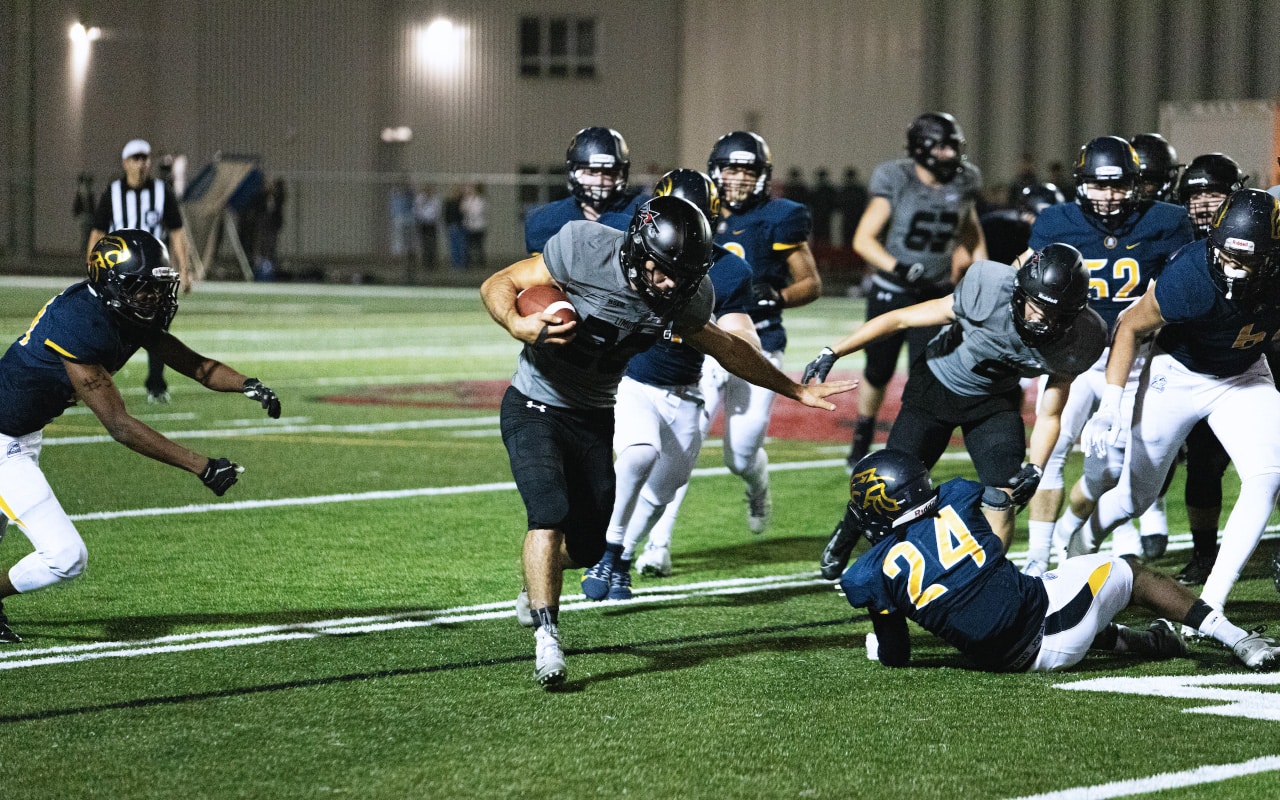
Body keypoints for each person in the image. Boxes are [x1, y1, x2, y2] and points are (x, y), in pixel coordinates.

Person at [480, 195, 854, 687]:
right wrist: (518, 323)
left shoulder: (687, 296)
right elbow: (499, 282)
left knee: (590, 545)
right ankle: (548, 639)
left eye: (685, 273)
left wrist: (794, 388)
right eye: (664, 270)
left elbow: (725, 348)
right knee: (548, 511)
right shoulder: (584, 247)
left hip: (593, 414)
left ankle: (537, 581)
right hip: (535, 402)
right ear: (637, 250)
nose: (673, 282)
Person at [0, 230, 282, 643]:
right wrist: (200, 466)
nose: (154, 296)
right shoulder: (80, 323)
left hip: (22, 432)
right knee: (65, 556)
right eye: (143, 287)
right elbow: (120, 425)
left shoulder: (122, 311)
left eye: (158, 286)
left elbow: (193, 364)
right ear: (112, 285)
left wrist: (247, 384)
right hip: (4, 440)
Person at [831, 449, 1280, 672]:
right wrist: (1010, 495)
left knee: (1055, 581)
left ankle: (1148, 643)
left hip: (1003, 660)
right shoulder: (957, 495)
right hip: (1052, 628)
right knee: (1130, 573)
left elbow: (896, 654)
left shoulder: (867, 575)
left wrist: (879, 649)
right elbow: (992, 521)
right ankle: (1239, 639)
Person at [804, 243, 1106, 570]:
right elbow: (901, 319)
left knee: (1004, 493)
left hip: (993, 402)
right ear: (1019, 293)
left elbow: (1051, 411)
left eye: (1058, 313)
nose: (1043, 320)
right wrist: (833, 351)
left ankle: (986, 579)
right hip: (936, 385)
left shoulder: (1083, 338)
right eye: (1037, 306)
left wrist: (1036, 465)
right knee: (888, 485)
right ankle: (846, 534)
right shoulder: (989, 289)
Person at [1076, 189, 1280, 616]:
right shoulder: (1191, 273)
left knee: (1266, 477)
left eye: (1246, 262)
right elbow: (1130, 325)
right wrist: (1111, 403)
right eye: (1225, 255)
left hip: (1243, 373)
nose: (1232, 270)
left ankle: (1210, 604)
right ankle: (1077, 539)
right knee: (1136, 498)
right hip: (1179, 373)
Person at [1019, 136, 1195, 576]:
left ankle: (1075, 531)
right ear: (1080, 184)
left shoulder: (1166, 221)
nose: (1109, 197)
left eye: (1118, 187)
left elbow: (1179, 288)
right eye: (1098, 186)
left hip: (1138, 360)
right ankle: (1038, 556)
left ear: (1136, 185)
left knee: (1108, 470)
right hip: (1073, 356)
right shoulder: (1055, 221)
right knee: (1050, 453)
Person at [587, 170, 758, 593]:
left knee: (663, 489)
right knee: (638, 456)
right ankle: (606, 554)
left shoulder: (728, 269)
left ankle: (622, 558)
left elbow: (744, 334)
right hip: (633, 380)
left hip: (686, 390)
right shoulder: (621, 238)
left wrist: (729, 339)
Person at [653, 130, 820, 537]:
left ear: (762, 175)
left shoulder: (780, 216)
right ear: (715, 172)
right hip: (701, 340)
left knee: (740, 456)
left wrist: (778, 295)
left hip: (755, 339)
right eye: (731, 169)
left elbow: (811, 284)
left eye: (748, 170)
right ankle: (656, 543)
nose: (739, 179)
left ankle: (757, 486)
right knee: (682, 442)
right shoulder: (695, 209)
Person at [845, 112, 987, 472]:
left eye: (953, 146)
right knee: (878, 370)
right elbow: (863, 239)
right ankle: (862, 435)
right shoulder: (897, 178)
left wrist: (981, 269)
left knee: (925, 372)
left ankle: (910, 447)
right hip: (892, 288)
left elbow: (970, 228)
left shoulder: (966, 180)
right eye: (941, 146)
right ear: (922, 149)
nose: (949, 154)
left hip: (935, 293)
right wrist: (898, 267)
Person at [1170, 153, 1249, 585]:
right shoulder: (1175, 237)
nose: (1202, 204)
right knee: (1202, 465)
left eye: (1213, 193)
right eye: (1194, 195)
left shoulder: (1261, 233)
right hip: (1199, 367)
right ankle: (1204, 554)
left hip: (1256, 359)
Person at [88, 138, 193, 404]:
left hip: (154, 274)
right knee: (111, 328)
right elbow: (98, 231)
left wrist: (185, 269)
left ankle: (156, 384)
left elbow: (177, 232)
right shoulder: (112, 192)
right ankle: (93, 382)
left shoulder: (162, 191)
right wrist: (92, 268)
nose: (141, 163)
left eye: (145, 158)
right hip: (120, 274)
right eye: (135, 158)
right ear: (125, 163)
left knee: (157, 329)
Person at [524, 127, 648, 255]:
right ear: (574, 173)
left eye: (609, 173)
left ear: (621, 175)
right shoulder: (545, 221)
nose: (599, 181)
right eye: (591, 172)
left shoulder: (645, 211)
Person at [836, 167, 869, 250]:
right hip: (857, 217)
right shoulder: (860, 190)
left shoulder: (843, 190)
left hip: (847, 218)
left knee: (846, 240)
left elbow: (838, 205)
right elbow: (864, 202)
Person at [412, 183, 442, 275]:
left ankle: (432, 262)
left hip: (432, 223)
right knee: (424, 243)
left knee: (432, 243)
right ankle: (425, 262)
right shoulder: (420, 199)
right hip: (423, 223)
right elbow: (416, 210)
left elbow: (436, 211)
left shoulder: (435, 199)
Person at [461, 183, 488, 268]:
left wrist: (470, 210)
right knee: (468, 246)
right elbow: (463, 209)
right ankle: (468, 264)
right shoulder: (468, 199)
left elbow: (478, 211)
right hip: (469, 226)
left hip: (479, 226)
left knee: (479, 246)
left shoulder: (481, 200)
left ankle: (481, 264)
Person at [809, 168, 838, 247]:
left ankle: (817, 253)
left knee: (817, 236)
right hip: (826, 215)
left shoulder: (814, 190)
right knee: (826, 236)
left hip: (817, 215)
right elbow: (835, 203)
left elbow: (810, 202)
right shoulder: (830, 190)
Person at [444, 185, 467, 270]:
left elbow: (464, 213)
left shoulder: (461, 202)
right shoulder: (448, 202)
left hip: (460, 225)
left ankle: (461, 263)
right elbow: (446, 215)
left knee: (461, 246)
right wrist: (448, 225)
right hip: (452, 226)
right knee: (454, 246)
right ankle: (455, 264)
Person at [73, 173, 96, 253]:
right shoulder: (85, 195)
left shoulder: (87, 195)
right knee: (84, 234)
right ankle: (83, 250)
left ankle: (84, 250)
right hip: (84, 217)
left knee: (86, 234)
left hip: (86, 217)